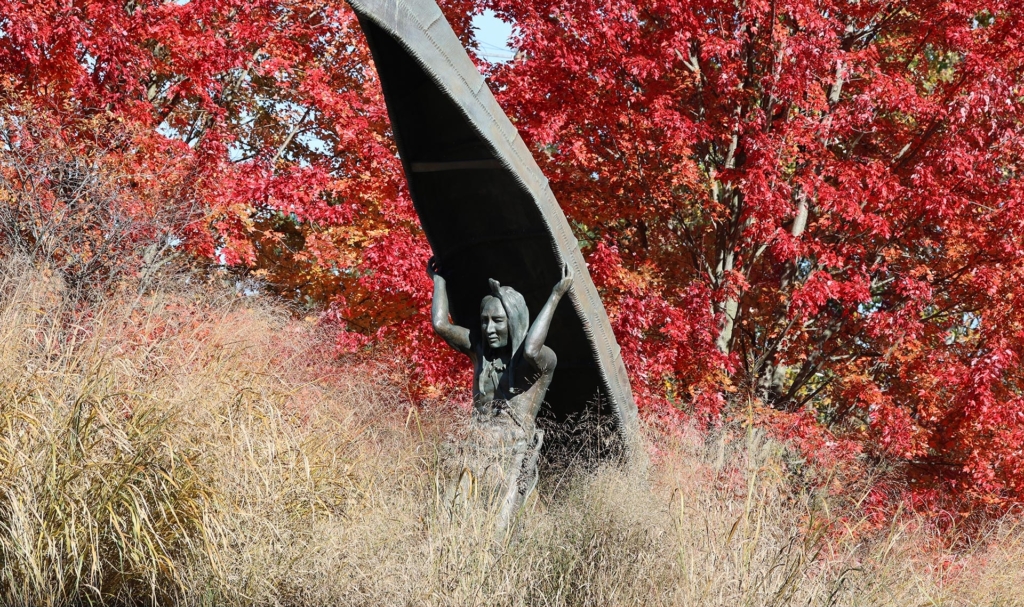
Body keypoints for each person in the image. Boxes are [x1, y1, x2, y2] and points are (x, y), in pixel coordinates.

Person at [427, 257, 573, 528]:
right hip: (474, 447)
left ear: (515, 321)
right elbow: (441, 325)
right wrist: (440, 281)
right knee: (447, 521)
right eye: (484, 321)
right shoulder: (480, 351)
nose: (489, 329)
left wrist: (555, 295)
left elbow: (529, 348)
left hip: (513, 453)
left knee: (499, 529)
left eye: (497, 321)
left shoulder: (541, 362)